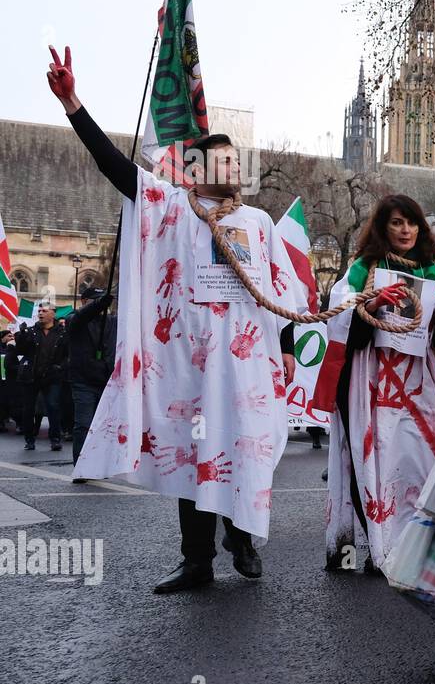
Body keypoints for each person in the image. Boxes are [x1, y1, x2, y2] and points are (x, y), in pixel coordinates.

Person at [48, 45, 303, 594]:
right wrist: (74, 106)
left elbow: (276, 291)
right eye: (222, 160)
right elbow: (119, 170)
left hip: (246, 366)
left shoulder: (259, 222)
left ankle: (242, 538)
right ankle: (196, 560)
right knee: (194, 453)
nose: (232, 168)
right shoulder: (173, 207)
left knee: (243, 446)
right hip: (189, 362)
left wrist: (284, 342)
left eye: (236, 161)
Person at [313, 195, 435, 574]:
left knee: (421, 457)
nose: (405, 230)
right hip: (372, 381)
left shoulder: (433, 273)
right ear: (383, 227)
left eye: (412, 223)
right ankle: (380, 546)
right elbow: (340, 323)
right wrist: (372, 306)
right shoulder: (362, 270)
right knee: (376, 457)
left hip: (418, 380)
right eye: (396, 222)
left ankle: (416, 540)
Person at [65, 288, 117, 478]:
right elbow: (82, 315)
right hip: (83, 381)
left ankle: (101, 465)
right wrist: (98, 304)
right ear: (84, 301)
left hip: (107, 381)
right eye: (95, 301)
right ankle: (81, 467)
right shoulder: (74, 320)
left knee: (104, 427)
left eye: (103, 301)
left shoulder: (113, 322)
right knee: (84, 425)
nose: (103, 305)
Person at [15, 304, 68, 452]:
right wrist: (22, 335)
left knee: (53, 407)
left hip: (52, 376)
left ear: (53, 314)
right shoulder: (31, 331)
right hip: (31, 376)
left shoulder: (63, 333)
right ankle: (29, 440)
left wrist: (61, 367)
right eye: (39, 311)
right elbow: (21, 351)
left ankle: (55, 439)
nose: (40, 313)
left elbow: (67, 354)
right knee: (28, 409)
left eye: (44, 311)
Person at [0, 330, 16, 432]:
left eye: (13, 336)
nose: (11, 338)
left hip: (9, 379)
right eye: (9, 336)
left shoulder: (13, 348)